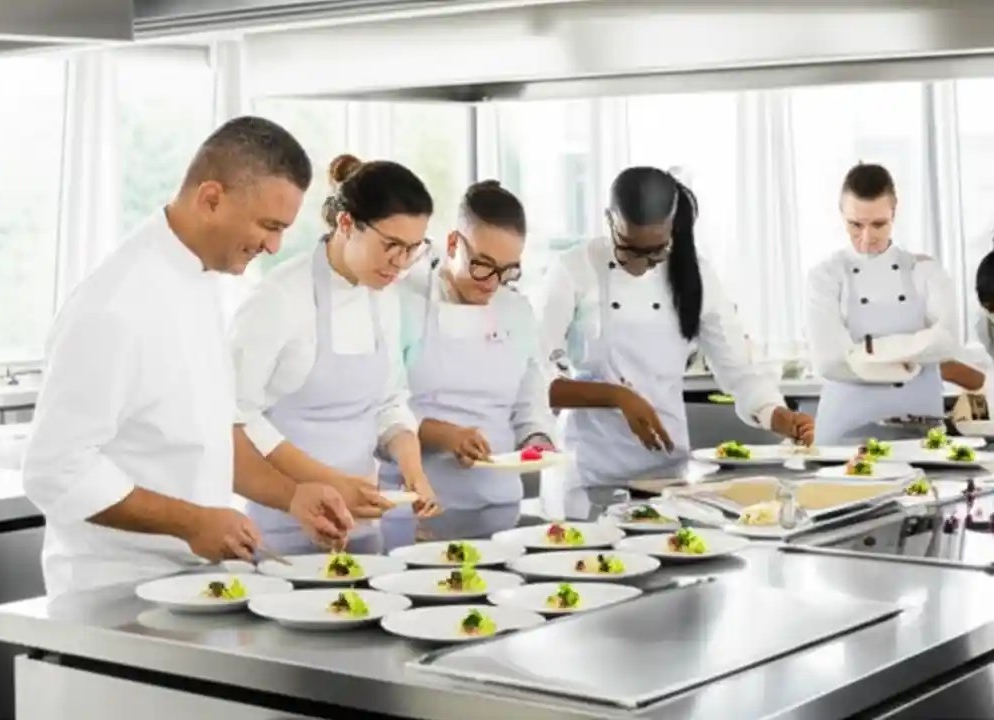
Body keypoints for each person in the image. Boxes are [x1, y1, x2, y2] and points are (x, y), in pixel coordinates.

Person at [23, 116, 358, 599]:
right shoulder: (115, 305)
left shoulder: (201, 279)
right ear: (211, 199)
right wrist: (193, 522)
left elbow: (208, 431)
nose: (274, 246)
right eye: (268, 225)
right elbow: (55, 470)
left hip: (191, 586)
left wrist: (292, 496)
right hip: (112, 595)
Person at [532, 166, 813, 519]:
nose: (641, 264)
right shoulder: (573, 269)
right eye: (628, 250)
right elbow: (533, 379)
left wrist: (778, 413)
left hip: (666, 474)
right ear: (609, 221)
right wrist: (617, 396)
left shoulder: (695, 274)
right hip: (587, 473)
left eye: (656, 252)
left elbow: (739, 369)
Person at [230, 153, 441, 555]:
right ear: (347, 224)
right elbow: (238, 415)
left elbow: (388, 402)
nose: (400, 263)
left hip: (363, 531)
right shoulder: (278, 298)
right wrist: (328, 482)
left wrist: (413, 472)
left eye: (413, 249)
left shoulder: (384, 295)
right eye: (391, 245)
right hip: (283, 533)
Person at [379, 180, 555, 547]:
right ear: (454, 244)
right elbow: (376, 408)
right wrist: (446, 435)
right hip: (417, 510)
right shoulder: (402, 303)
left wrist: (537, 439)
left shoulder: (516, 310)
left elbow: (528, 399)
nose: (493, 283)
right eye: (483, 266)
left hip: (500, 505)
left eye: (508, 270)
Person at [807, 163, 963, 444]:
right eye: (855, 225)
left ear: (894, 213)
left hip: (919, 432)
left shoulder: (925, 270)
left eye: (879, 224)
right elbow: (829, 361)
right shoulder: (825, 275)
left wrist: (865, 353)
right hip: (844, 431)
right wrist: (910, 357)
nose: (867, 238)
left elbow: (948, 341)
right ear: (841, 215)